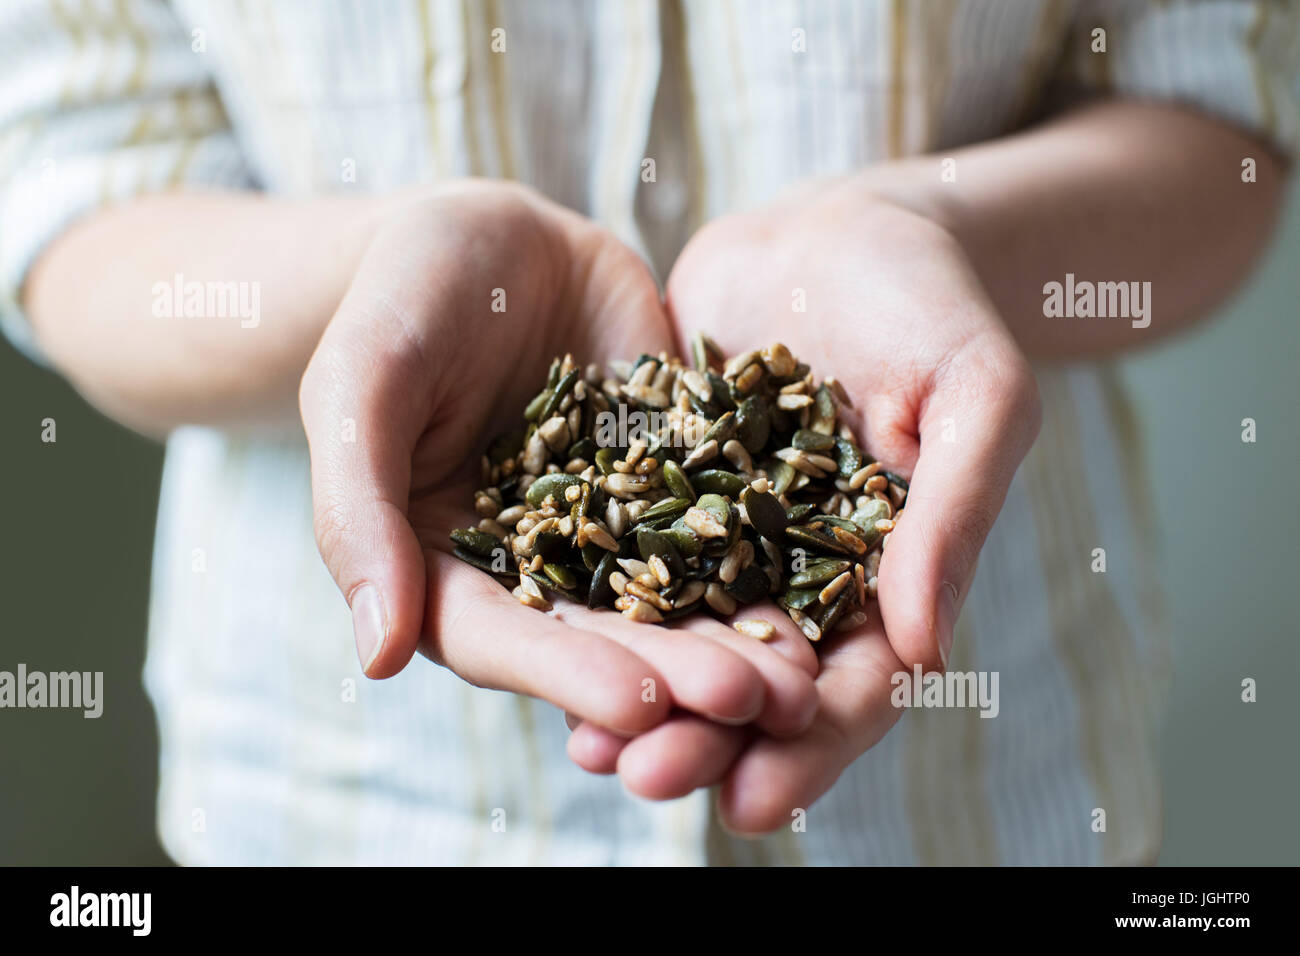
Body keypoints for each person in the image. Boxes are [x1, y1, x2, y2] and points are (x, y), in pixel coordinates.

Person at [2, 0, 1293, 865]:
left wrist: (934, 230)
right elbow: (67, 186)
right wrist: (375, 279)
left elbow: (1219, 122)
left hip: (994, 778)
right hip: (344, 798)